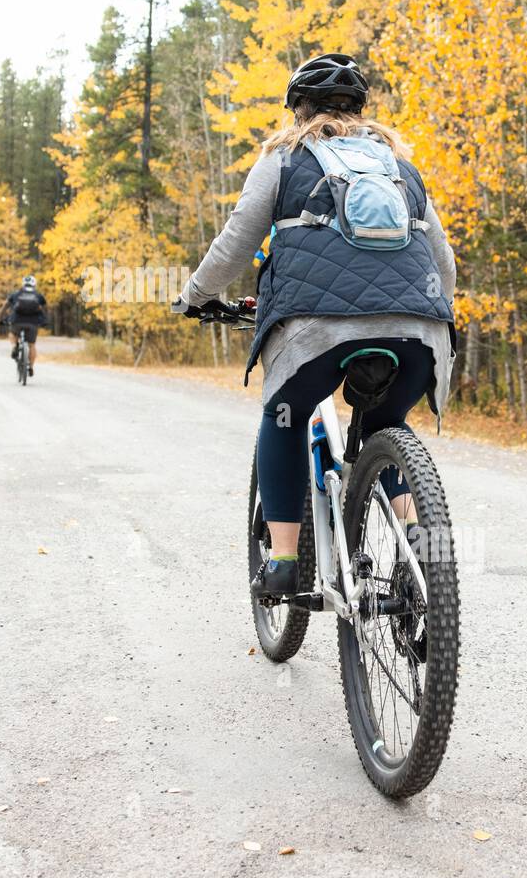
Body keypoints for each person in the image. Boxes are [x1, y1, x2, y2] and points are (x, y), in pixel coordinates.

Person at [174, 53, 456, 600]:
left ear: (297, 111)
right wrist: (433, 310)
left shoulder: (283, 158)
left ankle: (282, 562)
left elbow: (236, 242)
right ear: (359, 111)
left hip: (315, 332)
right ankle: (425, 567)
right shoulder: (400, 166)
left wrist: (195, 296)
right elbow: (442, 261)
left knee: (284, 417)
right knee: (384, 420)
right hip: (418, 331)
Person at [0, 276, 48, 375]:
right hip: (33, 323)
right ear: (34, 284)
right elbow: (44, 308)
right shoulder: (38, 296)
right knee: (32, 345)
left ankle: (14, 347)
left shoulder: (16, 294)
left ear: (23, 284)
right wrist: (44, 321)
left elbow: (5, 306)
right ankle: (30, 366)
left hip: (17, 321)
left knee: (12, 334)